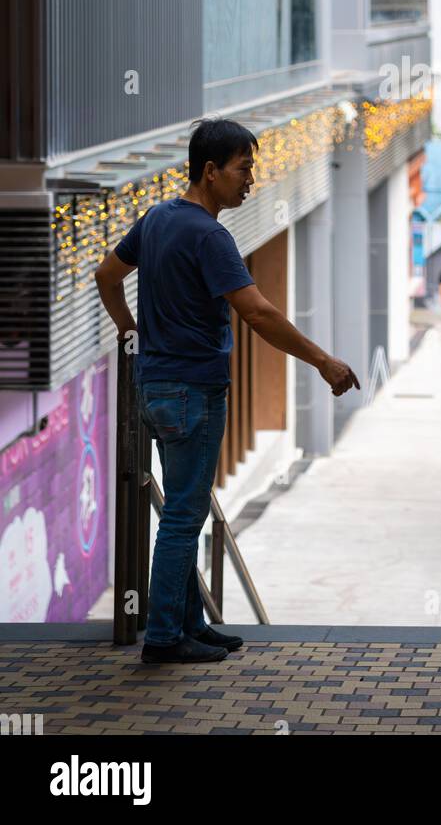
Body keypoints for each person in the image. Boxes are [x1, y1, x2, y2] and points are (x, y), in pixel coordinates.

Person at [95, 118, 359, 665]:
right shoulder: (209, 235)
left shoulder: (157, 219)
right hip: (193, 391)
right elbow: (257, 312)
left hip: (156, 386)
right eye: (243, 169)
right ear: (210, 171)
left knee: (181, 513)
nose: (250, 180)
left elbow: (106, 275)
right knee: (183, 518)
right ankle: (165, 638)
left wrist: (130, 331)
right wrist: (323, 362)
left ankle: (191, 624)